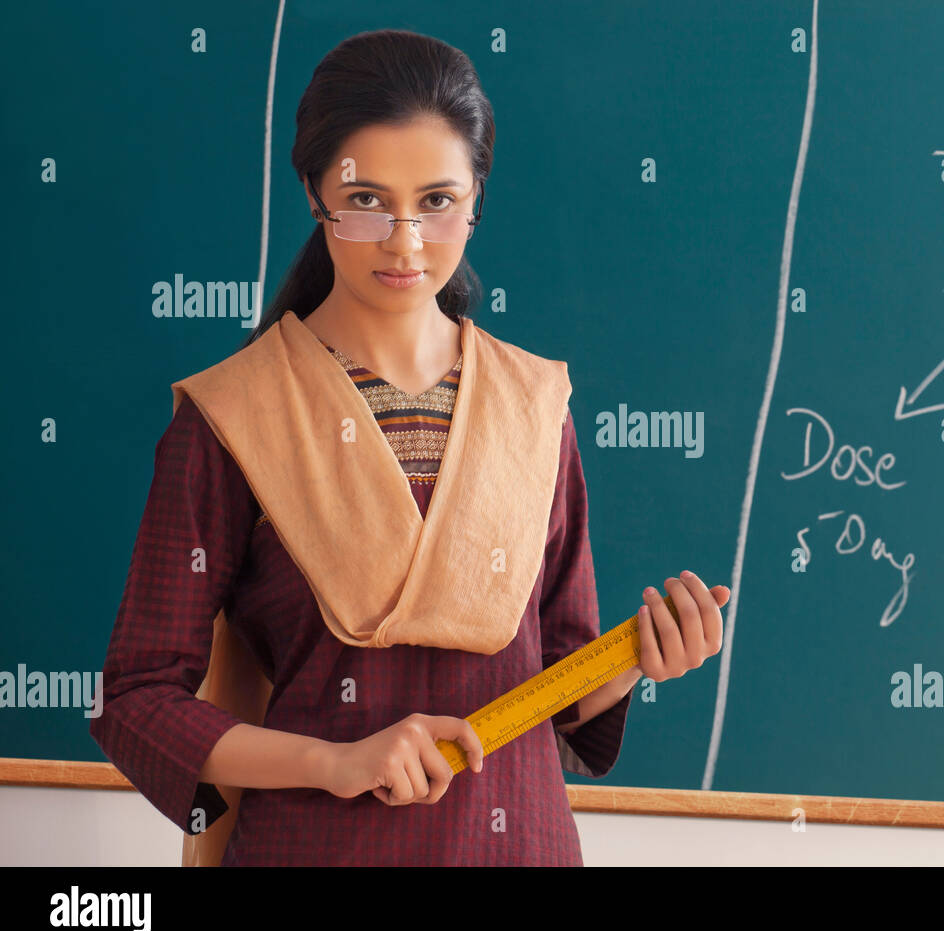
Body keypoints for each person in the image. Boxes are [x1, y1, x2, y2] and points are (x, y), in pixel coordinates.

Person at [89, 29, 729, 866]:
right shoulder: (230, 415)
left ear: (476, 199)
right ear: (314, 191)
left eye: (436, 201)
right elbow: (137, 699)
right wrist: (337, 761)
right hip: (314, 846)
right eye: (366, 201)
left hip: (521, 843)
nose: (404, 240)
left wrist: (638, 662)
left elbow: (558, 682)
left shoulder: (536, 406)